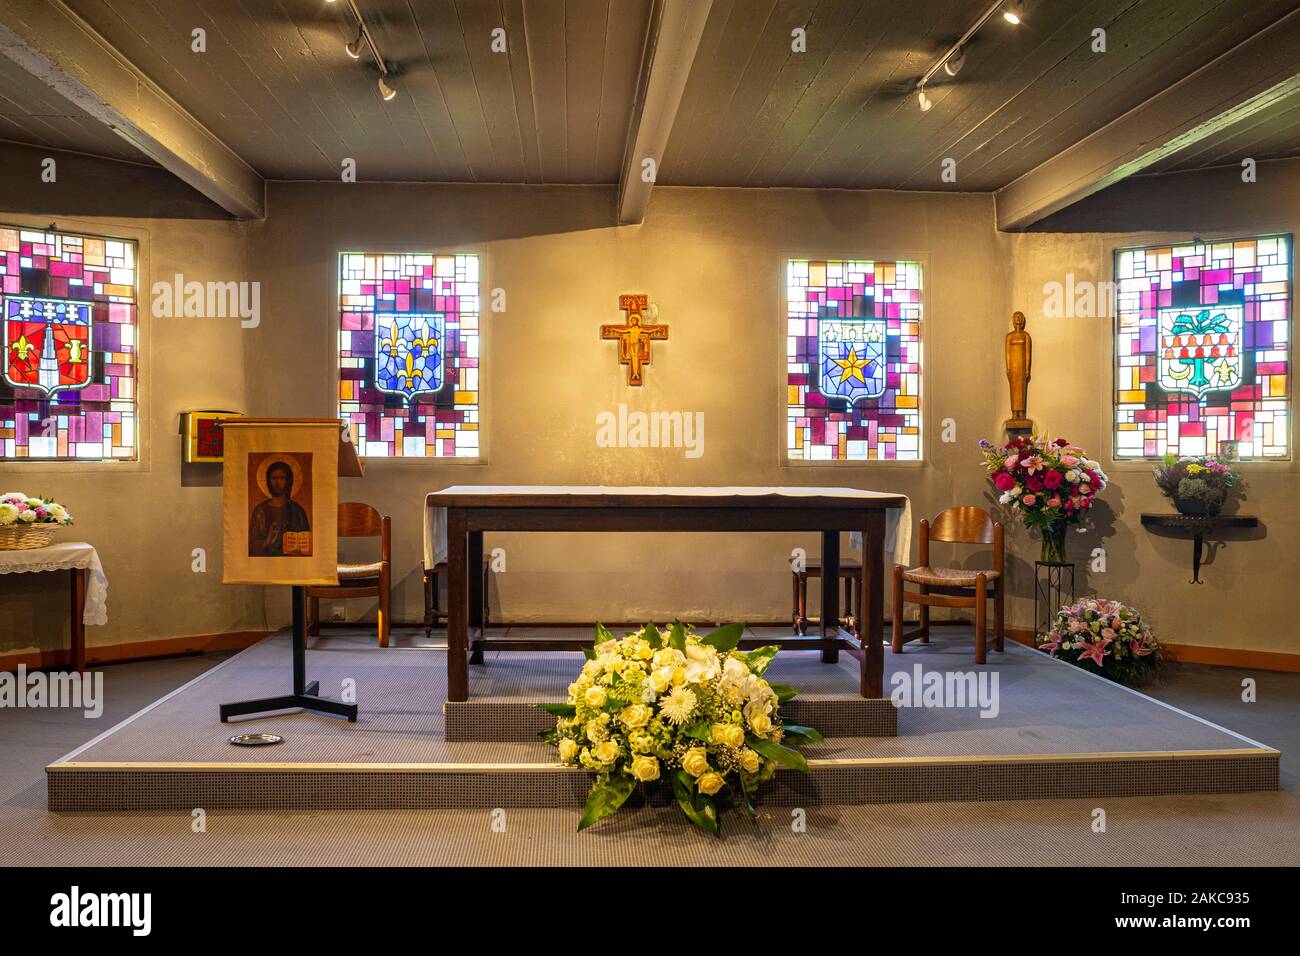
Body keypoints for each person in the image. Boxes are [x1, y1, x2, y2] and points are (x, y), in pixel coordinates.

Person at [249, 459, 311, 556]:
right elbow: (250, 546)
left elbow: (307, 543)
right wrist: (266, 542)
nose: (277, 483)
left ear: (288, 481)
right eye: (273, 478)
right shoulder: (260, 511)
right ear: (268, 481)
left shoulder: (298, 510)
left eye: (281, 478)